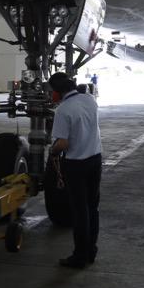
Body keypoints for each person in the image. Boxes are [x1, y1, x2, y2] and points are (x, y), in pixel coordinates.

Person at [49, 72, 102, 269]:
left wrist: (53, 151)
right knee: (92, 208)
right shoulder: (89, 99)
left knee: (80, 212)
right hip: (95, 159)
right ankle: (91, 251)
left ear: (57, 92)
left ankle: (79, 256)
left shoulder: (63, 110)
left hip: (76, 165)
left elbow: (62, 143)